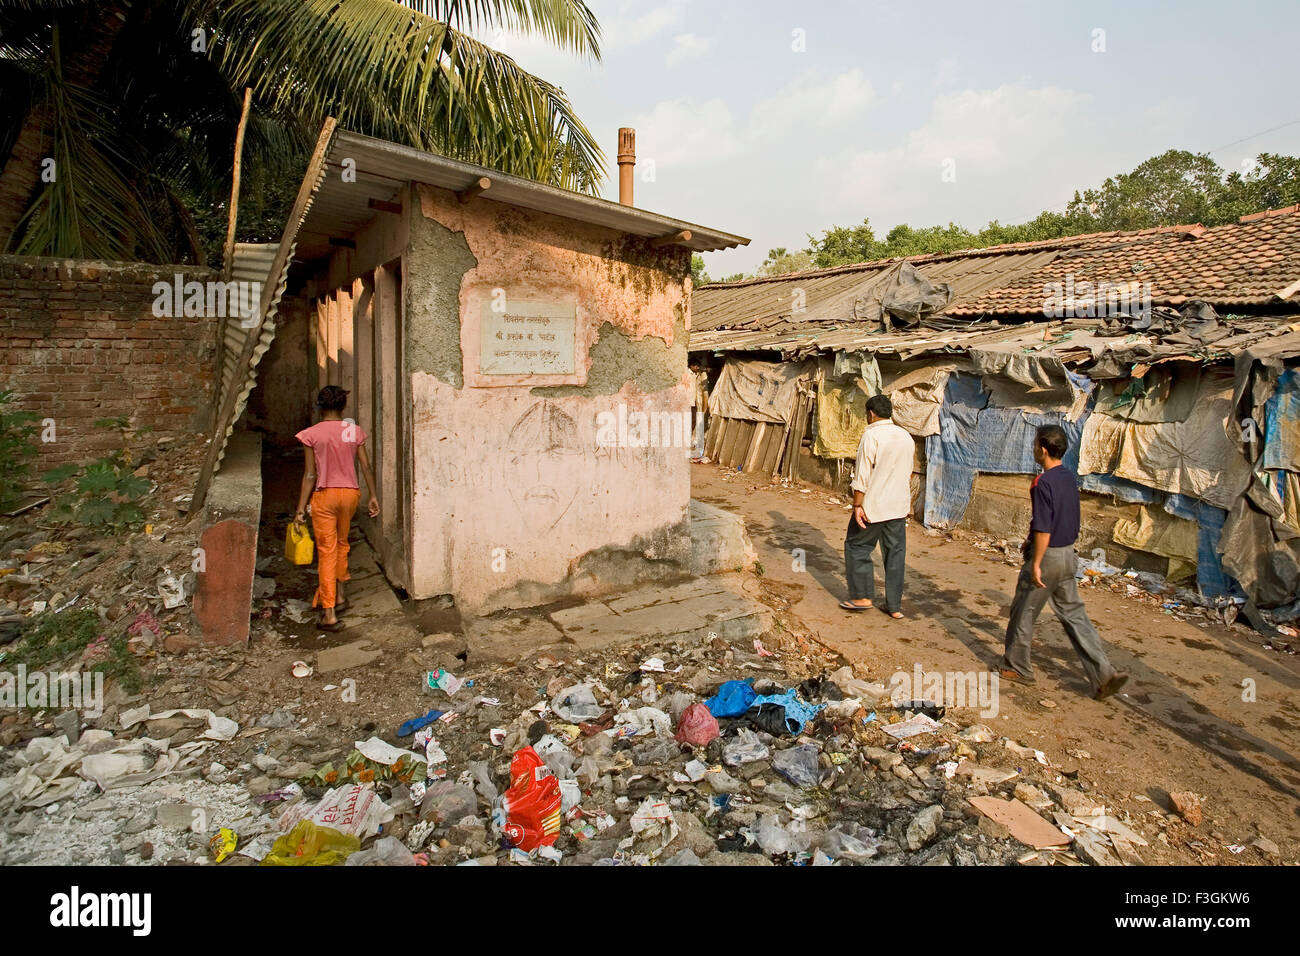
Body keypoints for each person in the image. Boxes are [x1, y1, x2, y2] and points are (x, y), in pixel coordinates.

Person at [1001, 424, 1129, 699]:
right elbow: (1057, 517)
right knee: (1075, 616)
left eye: (1036, 444)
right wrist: (1030, 538)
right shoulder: (1068, 477)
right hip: (1069, 555)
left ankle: (1017, 667)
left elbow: (1045, 527)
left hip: (1048, 557)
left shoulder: (1042, 482)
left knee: (1023, 611)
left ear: (1043, 449)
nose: (1033, 448)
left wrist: (1036, 561)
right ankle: (1104, 673)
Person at [294, 386, 380, 631]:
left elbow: (310, 474)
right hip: (350, 495)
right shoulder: (353, 432)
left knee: (326, 551)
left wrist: (301, 508)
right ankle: (340, 594)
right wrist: (372, 495)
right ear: (343, 407)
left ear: (319, 406)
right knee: (342, 543)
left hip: (325, 496)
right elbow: (366, 467)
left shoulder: (311, 434)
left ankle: (329, 611)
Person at [841, 393, 914, 619]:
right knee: (895, 554)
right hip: (898, 506)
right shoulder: (906, 437)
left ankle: (862, 596)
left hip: (874, 506)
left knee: (856, 546)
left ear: (871, 414)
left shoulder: (871, 436)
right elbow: (908, 472)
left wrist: (857, 504)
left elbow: (862, 475)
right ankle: (894, 606)